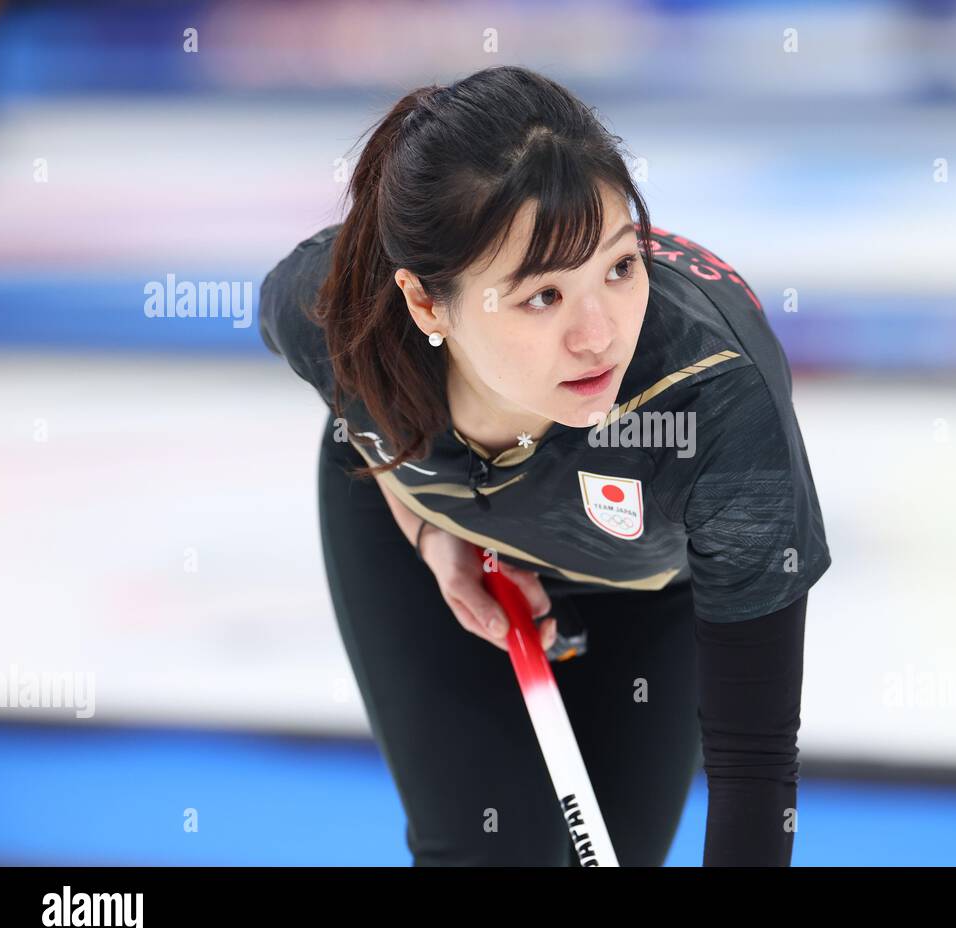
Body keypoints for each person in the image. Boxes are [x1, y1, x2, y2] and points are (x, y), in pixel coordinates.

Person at [258, 65, 831, 866]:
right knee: (498, 852)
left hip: (645, 586)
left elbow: (757, 765)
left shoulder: (712, 406)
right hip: (423, 535)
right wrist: (428, 531)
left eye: (620, 267)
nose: (598, 334)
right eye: (542, 297)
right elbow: (346, 394)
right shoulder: (327, 313)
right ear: (426, 305)